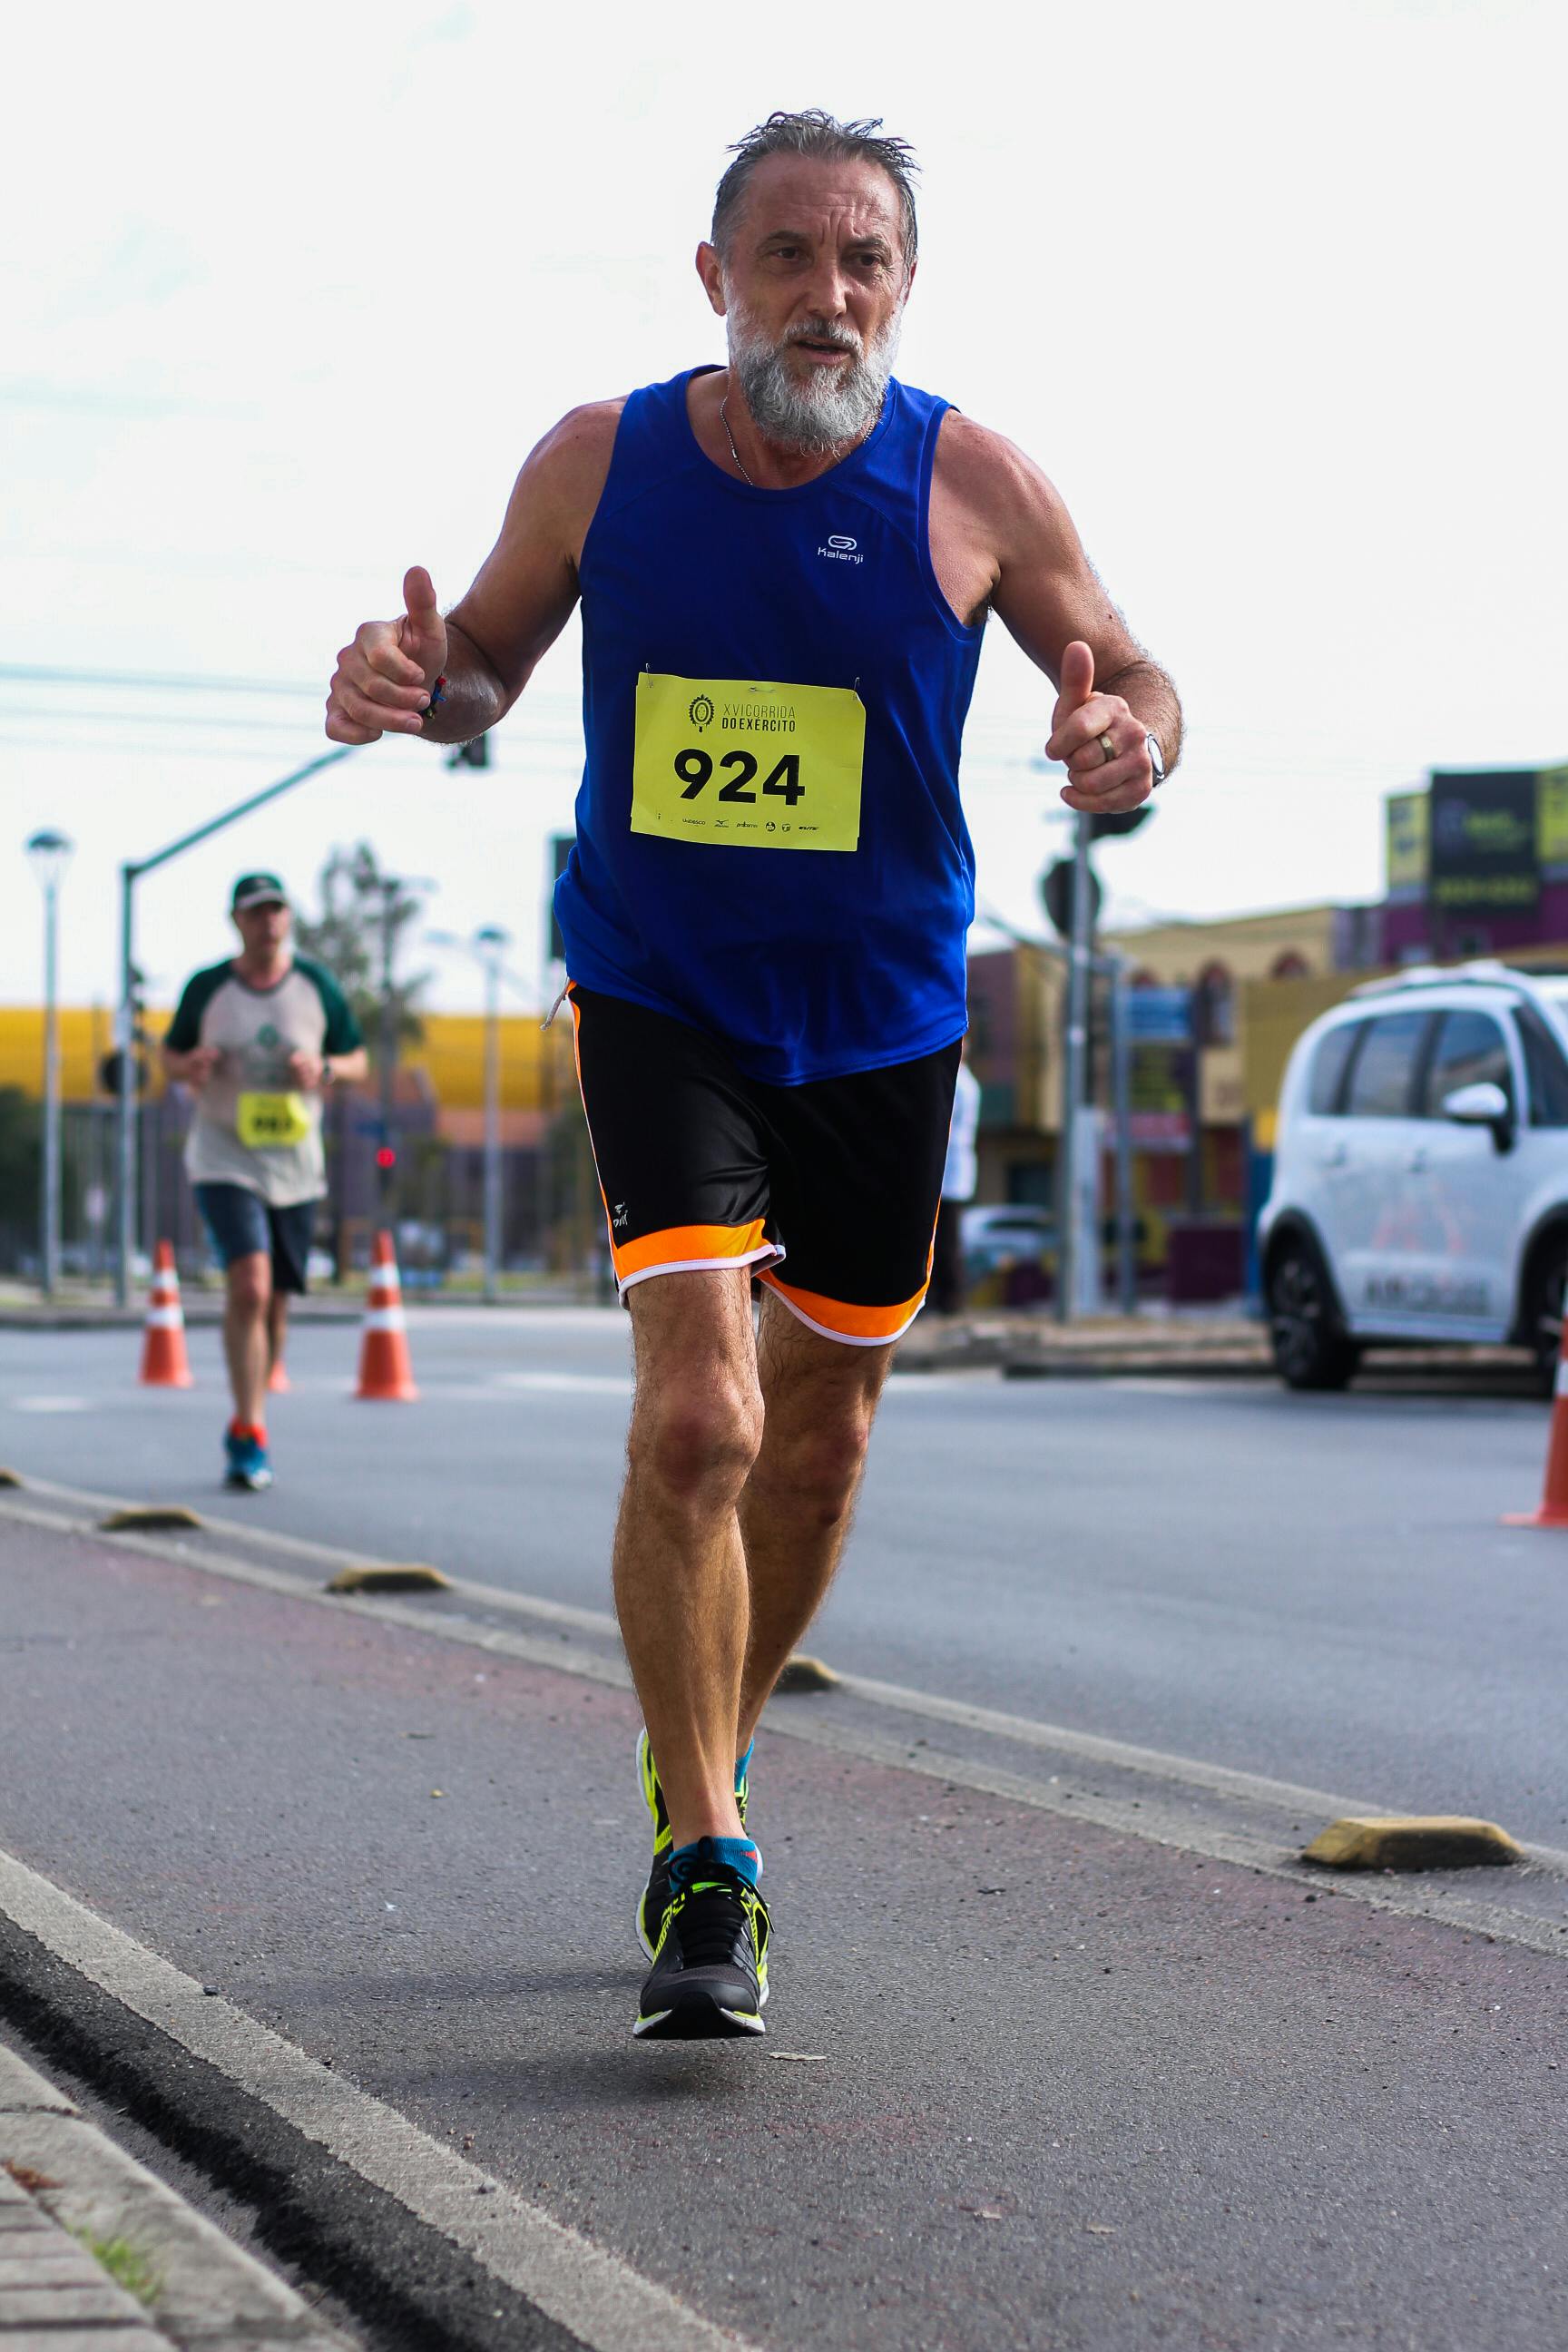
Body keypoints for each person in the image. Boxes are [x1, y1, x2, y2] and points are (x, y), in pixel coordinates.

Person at [325, 110, 1181, 2039]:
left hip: (883, 1017)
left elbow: (1135, 671)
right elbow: (481, 666)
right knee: (701, 1420)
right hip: (662, 995)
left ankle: (702, 1731)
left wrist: (1131, 734)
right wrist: (412, 682)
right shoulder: (600, 460)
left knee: (822, 1438)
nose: (827, 294)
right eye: (787, 254)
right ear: (716, 276)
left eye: (862, 258)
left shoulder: (973, 480)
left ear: (904, 285)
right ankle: (708, 1848)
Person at [162, 874, 367, 1492]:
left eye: (276, 910)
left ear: (288, 918)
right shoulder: (209, 987)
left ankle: (252, 1413)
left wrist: (324, 1068)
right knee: (249, 1285)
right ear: (237, 921)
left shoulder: (315, 986)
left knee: (276, 1303)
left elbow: (357, 1060)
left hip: (294, 1166)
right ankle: (249, 1430)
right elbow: (168, 1055)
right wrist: (191, 1064)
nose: (268, 922)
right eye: (255, 912)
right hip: (225, 1155)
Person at [930, 1041, 982, 1318]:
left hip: (950, 1171)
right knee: (943, 1239)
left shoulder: (961, 1084)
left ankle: (950, 1299)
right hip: (951, 1170)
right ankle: (944, 1297)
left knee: (946, 1240)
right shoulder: (965, 1082)